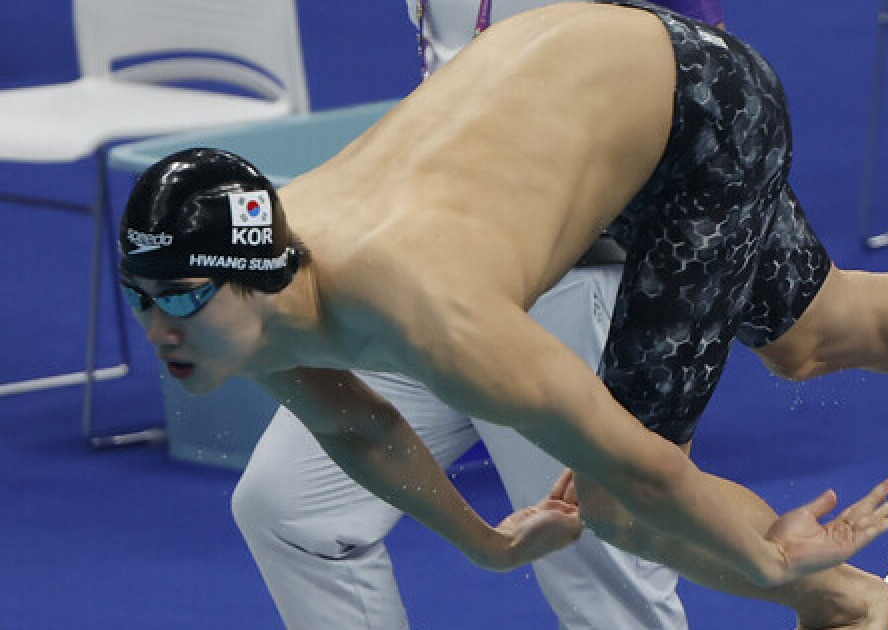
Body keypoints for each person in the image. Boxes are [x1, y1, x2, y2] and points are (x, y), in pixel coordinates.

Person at [117, 2, 888, 627]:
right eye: (146, 299)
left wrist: (768, 558)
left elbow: (641, 467)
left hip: (695, 115)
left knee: (613, 505)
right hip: (592, 93)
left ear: (252, 278)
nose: (159, 328)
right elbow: (353, 420)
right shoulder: (244, 302)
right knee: (814, 334)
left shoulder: (434, 315)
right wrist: (483, 542)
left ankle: (840, 598)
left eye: (181, 299)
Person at [230, 2, 724, 629]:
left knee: (598, 556)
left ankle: (830, 595)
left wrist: (680, 319)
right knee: (288, 509)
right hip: (422, 276)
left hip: (568, 274)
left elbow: (708, 99)